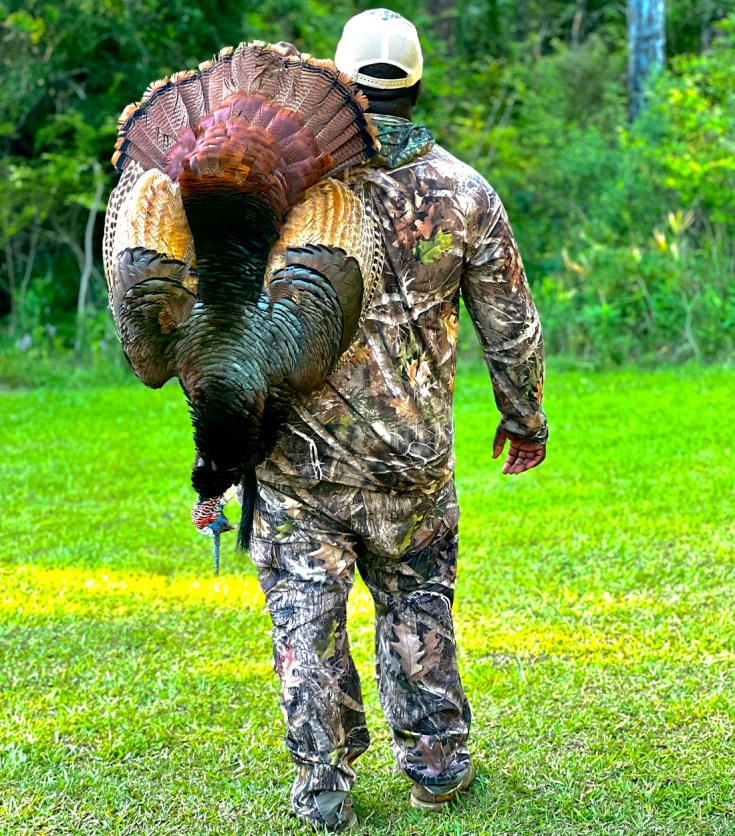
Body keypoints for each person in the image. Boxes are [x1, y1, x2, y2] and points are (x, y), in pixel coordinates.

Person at [251, 9, 548, 832]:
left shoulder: (289, 184)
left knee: (303, 623)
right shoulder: (465, 192)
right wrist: (524, 421)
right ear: (417, 86)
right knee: (419, 604)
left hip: (294, 465)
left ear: (339, 82)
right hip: (410, 464)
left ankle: (322, 786)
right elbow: (511, 325)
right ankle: (437, 767)